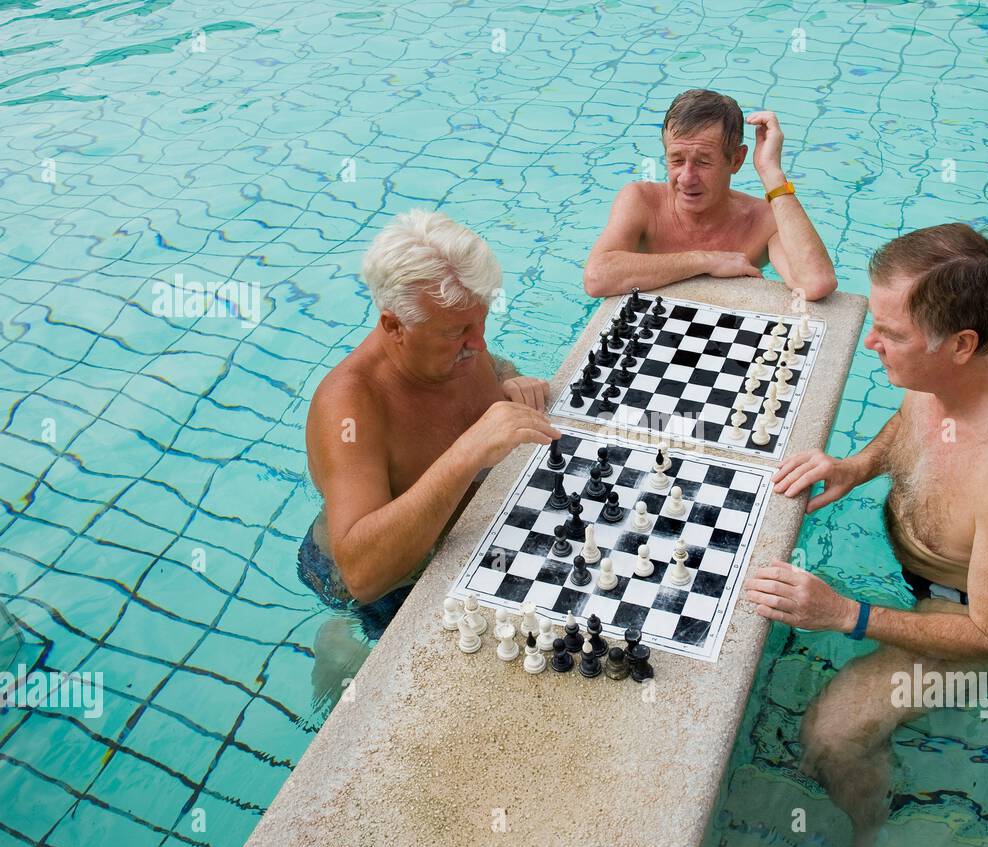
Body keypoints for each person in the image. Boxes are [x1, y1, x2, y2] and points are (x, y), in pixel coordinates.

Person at [743, 223, 988, 847]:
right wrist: (856, 466)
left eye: (892, 335)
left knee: (829, 735)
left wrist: (847, 617)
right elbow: (916, 416)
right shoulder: (958, 365)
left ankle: (879, 842)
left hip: (975, 611)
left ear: (961, 345)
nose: (870, 341)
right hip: (933, 578)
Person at [299, 209, 560, 647]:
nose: (477, 343)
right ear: (394, 327)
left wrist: (509, 382)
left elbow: (483, 375)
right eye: (458, 331)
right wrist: (466, 451)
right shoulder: (348, 407)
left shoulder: (452, 338)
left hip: (460, 540)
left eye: (482, 322)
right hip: (376, 585)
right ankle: (335, 647)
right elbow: (362, 574)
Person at [583, 89, 837, 302]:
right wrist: (707, 261)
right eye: (676, 160)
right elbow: (596, 279)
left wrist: (771, 172)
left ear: (736, 160)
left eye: (703, 162)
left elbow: (815, 282)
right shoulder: (641, 201)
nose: (686, 177)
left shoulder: (762, 221)